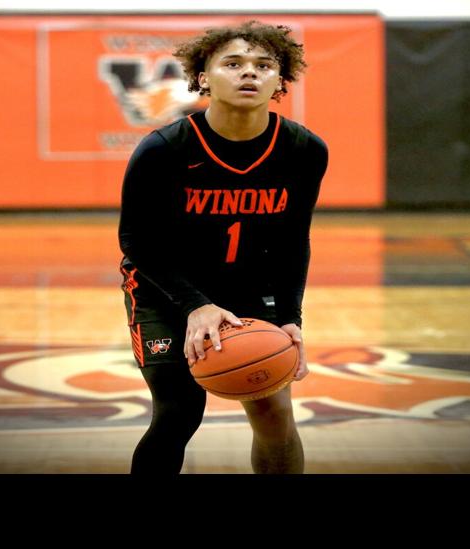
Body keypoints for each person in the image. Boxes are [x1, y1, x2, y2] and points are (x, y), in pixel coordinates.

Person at [117, 20, 328, 475]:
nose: (249, 73)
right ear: (203, 77)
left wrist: (291, 318)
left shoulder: (304, 149)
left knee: (275, 415)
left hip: (251, 287)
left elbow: (293, 241)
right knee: (178, 413)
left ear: (280, 79)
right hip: (166, 290)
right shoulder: (163, 149)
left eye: (263, 65)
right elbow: (136, 240)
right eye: (232, 63)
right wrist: (196, 305)